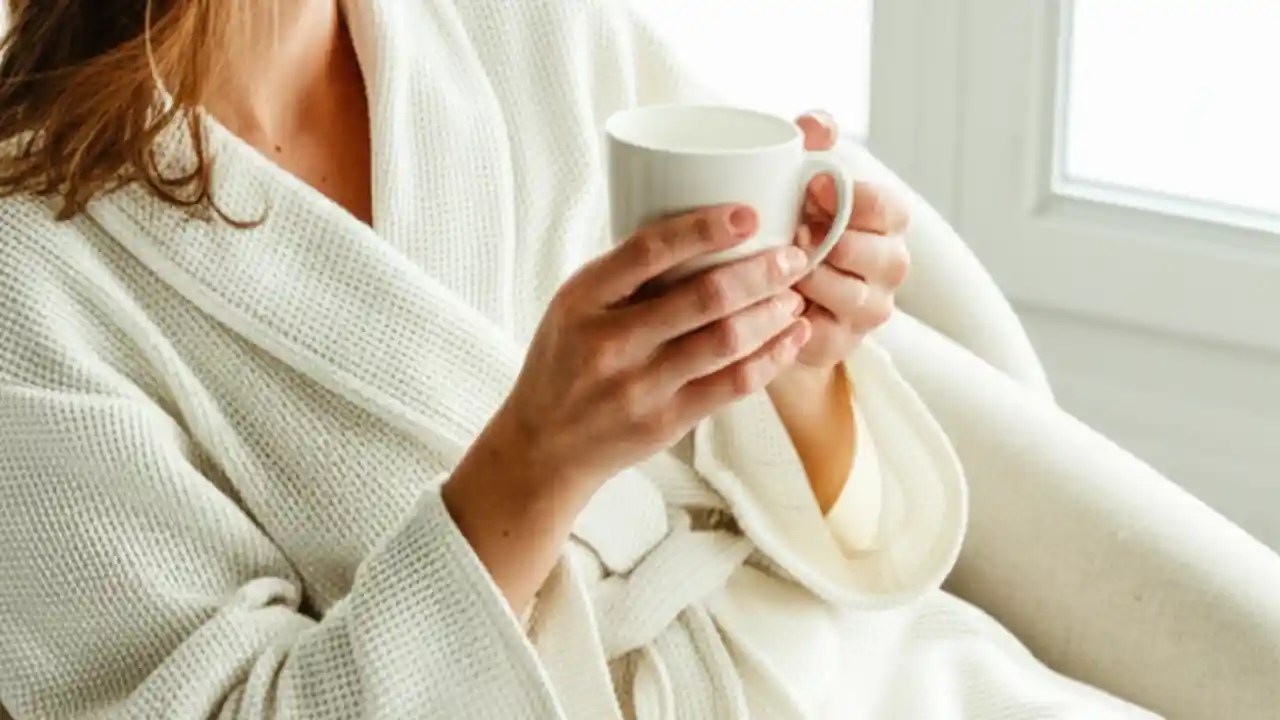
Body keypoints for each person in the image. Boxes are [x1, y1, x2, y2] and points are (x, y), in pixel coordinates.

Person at [0, 2, 1268, 719]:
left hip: (868, 676)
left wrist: (795, 354)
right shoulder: (28, 269)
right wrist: (533, 468)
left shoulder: (529, 33)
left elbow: (795, 495)